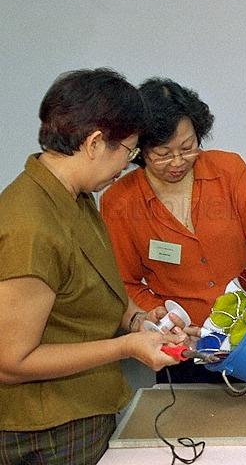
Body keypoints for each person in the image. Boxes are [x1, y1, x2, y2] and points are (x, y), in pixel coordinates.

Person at [0, 69, 187, 465]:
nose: (128, 164)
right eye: (130, 151)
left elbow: (88, 289)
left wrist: (139, 320)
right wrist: (125, 347)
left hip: (85, 410)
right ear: (95, 142)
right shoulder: (29, 225)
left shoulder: (76, 197)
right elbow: (10, 361)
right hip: (46, 430)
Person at [101, 78, 246, 383]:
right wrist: (162, 319)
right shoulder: (120, 202)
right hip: (183, 347)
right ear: (139, 149)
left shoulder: (227, 171)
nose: (178, 162)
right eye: (163, 153)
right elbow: (124, 284)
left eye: (188, 147)